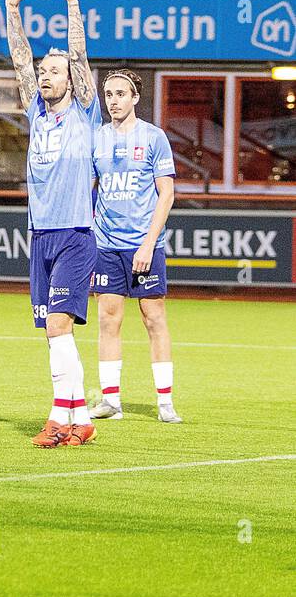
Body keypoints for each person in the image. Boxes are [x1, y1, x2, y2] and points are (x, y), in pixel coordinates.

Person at [5, 0, 102, 449]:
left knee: (60, 324)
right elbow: (20, 60)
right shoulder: (37, 112)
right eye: (43, 70)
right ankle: (80, 414)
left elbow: (81, 60)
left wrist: (71, 4)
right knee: (52, 333)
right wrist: (12, 10)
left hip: (75, 236)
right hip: (40, 234)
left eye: (53, 70)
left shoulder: (84, 109)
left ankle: (56, 417)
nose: (44, 75)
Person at [89, 69, 181, 425]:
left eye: (120, 94)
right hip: (106, 244)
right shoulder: (96, 139)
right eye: (109, 94)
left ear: (135, 98)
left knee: (154, 318)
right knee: (107, 319)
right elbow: (87, 188)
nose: (113, 100)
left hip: (144, 244)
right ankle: (111, 402)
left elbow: (167, 194)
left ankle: (165, 401)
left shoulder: (154, 138)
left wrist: (147, 244)